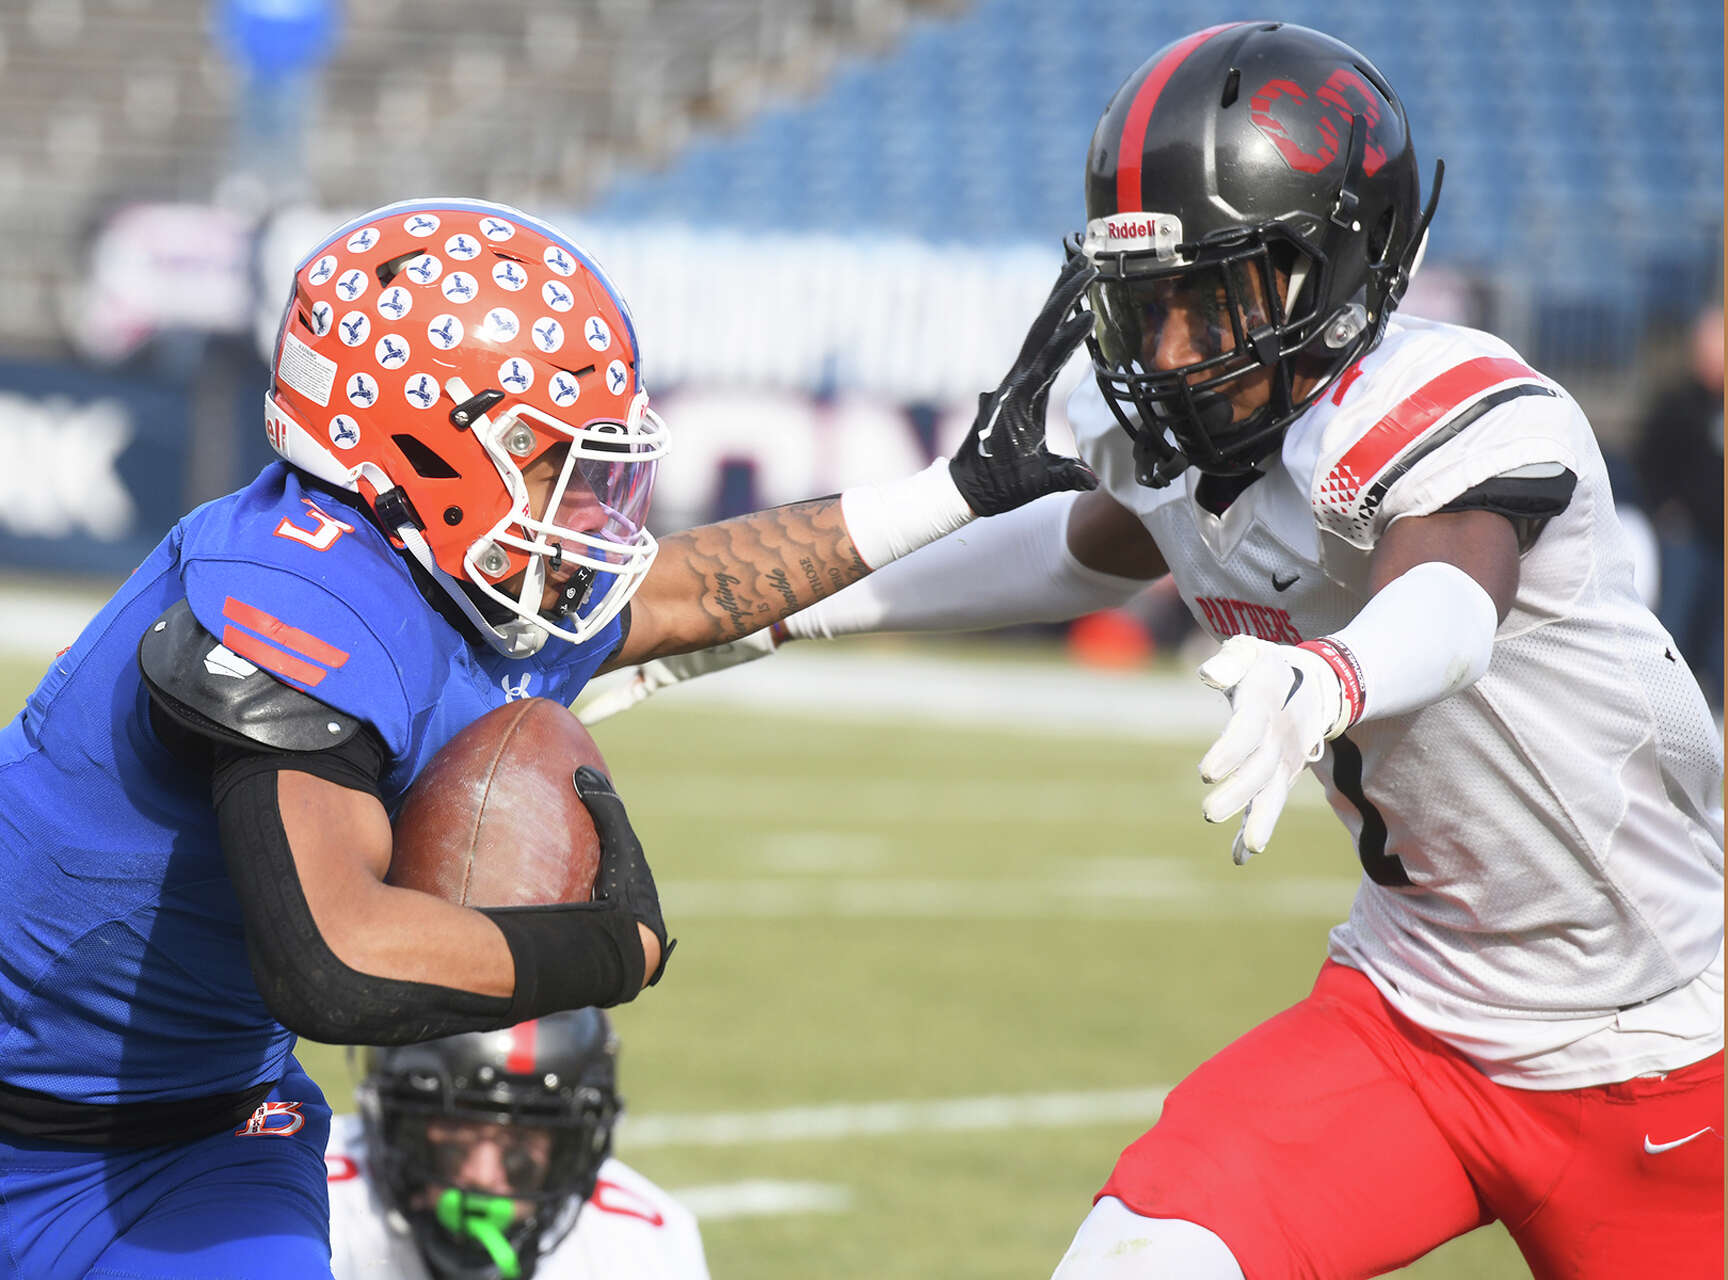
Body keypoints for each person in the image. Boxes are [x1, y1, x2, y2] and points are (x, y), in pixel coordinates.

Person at [580, 25, 1726, 1280]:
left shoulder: (1441, 399)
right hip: (1413, 1015)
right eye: (1148, 299)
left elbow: (1452, 595)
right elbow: (1080, 548)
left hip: (1660, 1044)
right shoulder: (1184, 435)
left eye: (1213, 292)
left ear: (1335, 267)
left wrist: (1335, 673)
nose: (1170, 347)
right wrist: (780, 618)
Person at [0, 197, 1093, 1277]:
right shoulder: (295, 592)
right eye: (551, 461)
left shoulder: (456, 567)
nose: (585, 503)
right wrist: (612, 949)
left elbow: (690, 587)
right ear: (420, 445)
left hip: (218, 1136)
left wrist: (963, 484)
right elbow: (335, 958)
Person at [327, 1008, 707, 1280]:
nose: (481, 1175)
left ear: (568, 1151)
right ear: (396, 1123)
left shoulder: (641, 1244)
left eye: (520, 1145)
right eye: (455, 1134)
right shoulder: (313, 1207)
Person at [1633, 304, 1723, 705]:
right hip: (1688, 541)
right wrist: (1667, 510)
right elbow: (1649, 463)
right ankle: (1667, 707)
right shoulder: (1678, 404)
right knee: (1676, 628)